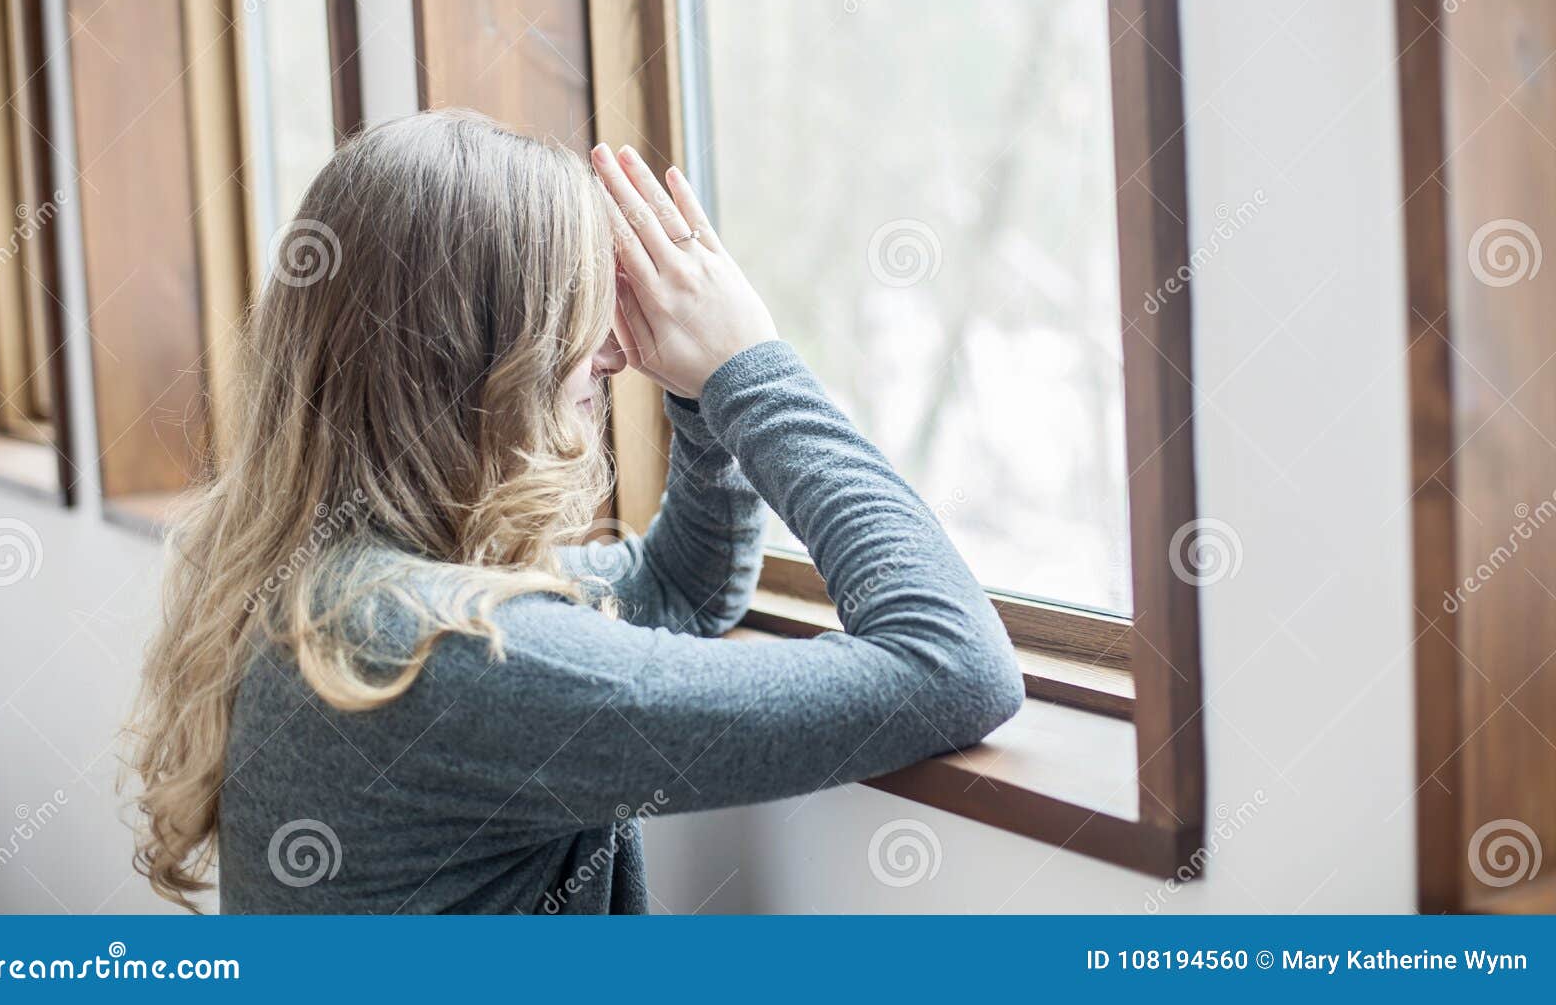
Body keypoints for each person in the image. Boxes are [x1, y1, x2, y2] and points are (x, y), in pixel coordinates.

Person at [129, 109, 1024, 913]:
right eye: (577, 312)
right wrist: (750, 364)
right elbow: (951, 663)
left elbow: (679, 589)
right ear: (479, 358)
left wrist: (701, 397)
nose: (609, 349)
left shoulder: (337, 579)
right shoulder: (445, 653)